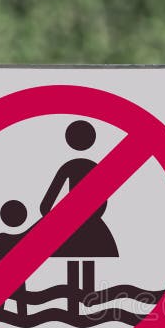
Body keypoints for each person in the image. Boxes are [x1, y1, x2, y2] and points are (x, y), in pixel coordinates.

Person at [40, 120, 119, 315]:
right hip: (90, 223)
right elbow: (104, 199)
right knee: (87, 261)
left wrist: (52, 217)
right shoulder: (94, 167)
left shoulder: (69, 166)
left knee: (73, 263)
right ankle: (89, 306)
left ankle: (73, 307)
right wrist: (94, 215)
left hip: (71, 225)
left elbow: (47, 202)